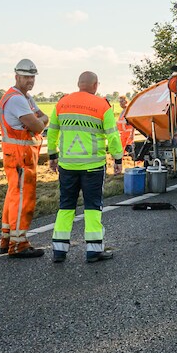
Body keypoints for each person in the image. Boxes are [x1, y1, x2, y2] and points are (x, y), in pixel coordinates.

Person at [46, 71, 123, 263]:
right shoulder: (102, 105)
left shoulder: (62, 103)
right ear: (96, 85)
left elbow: (52, 132)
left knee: (66, 206)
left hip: (67, 165)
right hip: (93, 167)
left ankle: (59, 251)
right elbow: (113, 136)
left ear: (78, 83)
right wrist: (118, 159)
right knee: (92, 207)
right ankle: (94, 250)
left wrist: (52, 156)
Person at [0, 59, 49, 258]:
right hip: (21, 157)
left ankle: (7, 239)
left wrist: (39, 121)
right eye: (26, 77)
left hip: (17, 155)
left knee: (13, 196)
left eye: (32, 77)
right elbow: (38, 126)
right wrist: (38, 122)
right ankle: (18, 245)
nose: (30, 81)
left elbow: (44, 118)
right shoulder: (18, 100)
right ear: (16, 76)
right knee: (23, 199)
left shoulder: (24, 97)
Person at [114, 95, 135, 176]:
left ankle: (135, 166)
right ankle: (119, 169)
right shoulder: (122, 111)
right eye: (119, 102)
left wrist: (132, 134)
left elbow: (133, 123)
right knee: (120, 152)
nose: (120, 103)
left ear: (126, 101)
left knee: (130, 151)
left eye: (121, 101)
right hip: (122, 135)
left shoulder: (128, 111)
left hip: (127, 135)